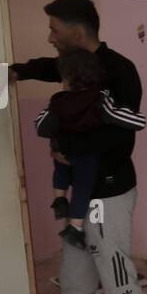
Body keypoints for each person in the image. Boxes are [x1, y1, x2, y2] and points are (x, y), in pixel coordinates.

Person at [12, 0, 147, 294]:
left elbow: (123, 131)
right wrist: (10, 71)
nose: (49, 37)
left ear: (77, 32)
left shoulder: (120, 71)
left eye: (54, 30)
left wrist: (70, 149)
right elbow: (44, 67)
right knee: (75, 280)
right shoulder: (71, 68)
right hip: (81, 195)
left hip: (108, 193)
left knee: (117, 281)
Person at [36, 49, 112, 251]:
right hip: (87, 153)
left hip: (63, 149)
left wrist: (55, 139)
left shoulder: (59, 99)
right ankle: (75, 228)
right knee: (82, 188)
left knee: (60, 167)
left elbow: (41, 127)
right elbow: (119, 118)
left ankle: (59, 199)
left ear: (67, 77)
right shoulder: (99, 97)